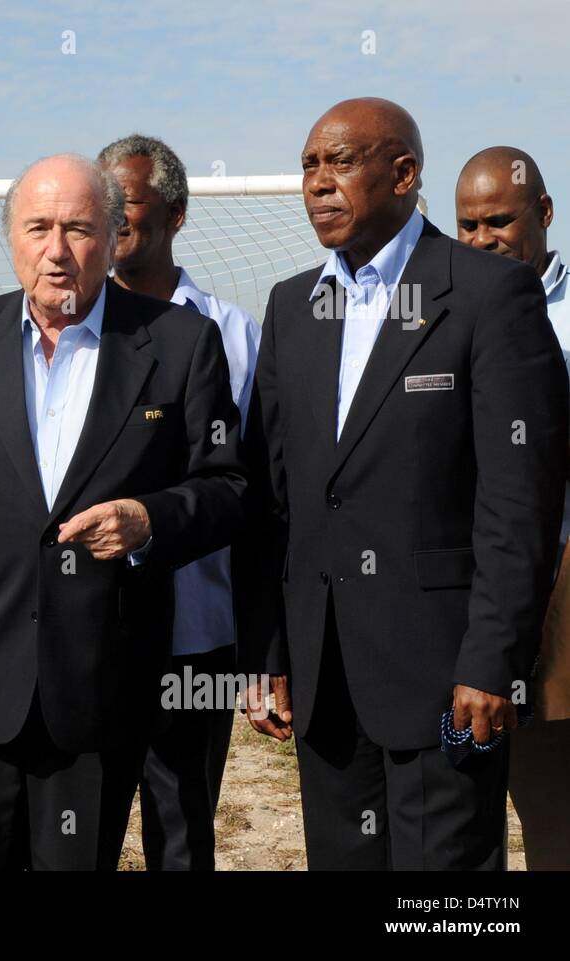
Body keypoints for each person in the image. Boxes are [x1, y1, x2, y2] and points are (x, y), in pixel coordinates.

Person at [0, 153, 247, 870]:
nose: (57, 251)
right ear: (12, 239)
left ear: (115, 236)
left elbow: (227, 489)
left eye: (79, 229)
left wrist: (151, 521)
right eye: (38, 228)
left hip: (99, 681)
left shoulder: (180, 343)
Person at [236, 99, 568, 870]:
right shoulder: (292, 307)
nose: (318, 182)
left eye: (340, 162)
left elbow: (519, 504)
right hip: (326, 686)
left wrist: (491, 662)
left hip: (449, 683)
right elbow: (273, 498)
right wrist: (272, 651)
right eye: (309, 166)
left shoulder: (489, 295)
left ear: (405, 173)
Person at [99, 133, 261, 870]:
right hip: (89, 636)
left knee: (185, 826)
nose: (109, 217)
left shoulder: (234, 333)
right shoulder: (64, 331)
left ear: (176, 213)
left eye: (126, 202)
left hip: (199, 633)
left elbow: (252, 490)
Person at [456, 146, 570, 870]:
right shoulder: (442, 314)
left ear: (545, 214)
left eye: (499, 220)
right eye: (468, 226)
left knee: (553, 811)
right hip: (459, 595)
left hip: (559, 590)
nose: (483, 239)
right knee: (461, 821)